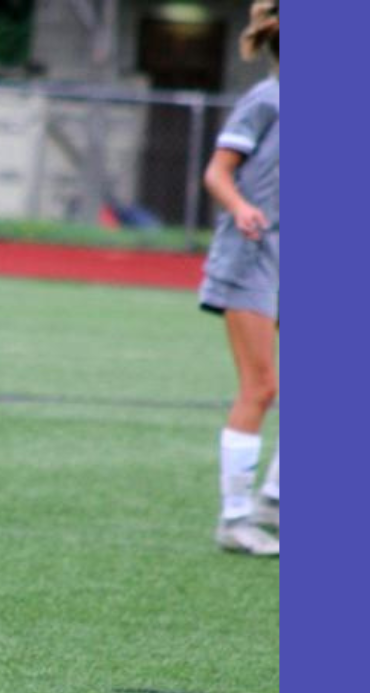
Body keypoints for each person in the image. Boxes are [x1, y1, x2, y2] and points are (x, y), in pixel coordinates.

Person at [199, 1, 279, 557]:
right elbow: (217, 172)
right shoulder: (267, 99)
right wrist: (241, 208)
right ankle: (233, 518)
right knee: (262, 386)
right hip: (252, 254)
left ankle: (274, 500)